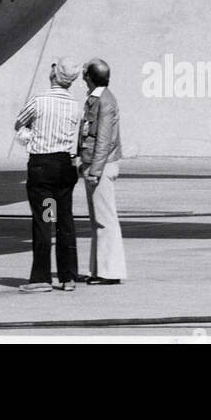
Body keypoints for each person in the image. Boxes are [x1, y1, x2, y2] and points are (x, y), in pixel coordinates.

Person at [14, 60, 84, 292]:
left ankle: (41, 278)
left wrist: (31, 132)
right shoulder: (75, 105)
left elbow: (19, 122)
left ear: (54, 74)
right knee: (65, 220)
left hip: (43, 167)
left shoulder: (39, 100)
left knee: (45, 219)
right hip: (65, 166)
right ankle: (68, 276)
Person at [78, 59, 126, 285]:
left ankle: (111, 272)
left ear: (88, 76)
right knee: (99, 220)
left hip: (101, 166)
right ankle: (100, 270)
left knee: (105, 220)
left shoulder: (104, 101)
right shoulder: (98, 98)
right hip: (97, 164)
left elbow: (104, 139)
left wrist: (94, 170)